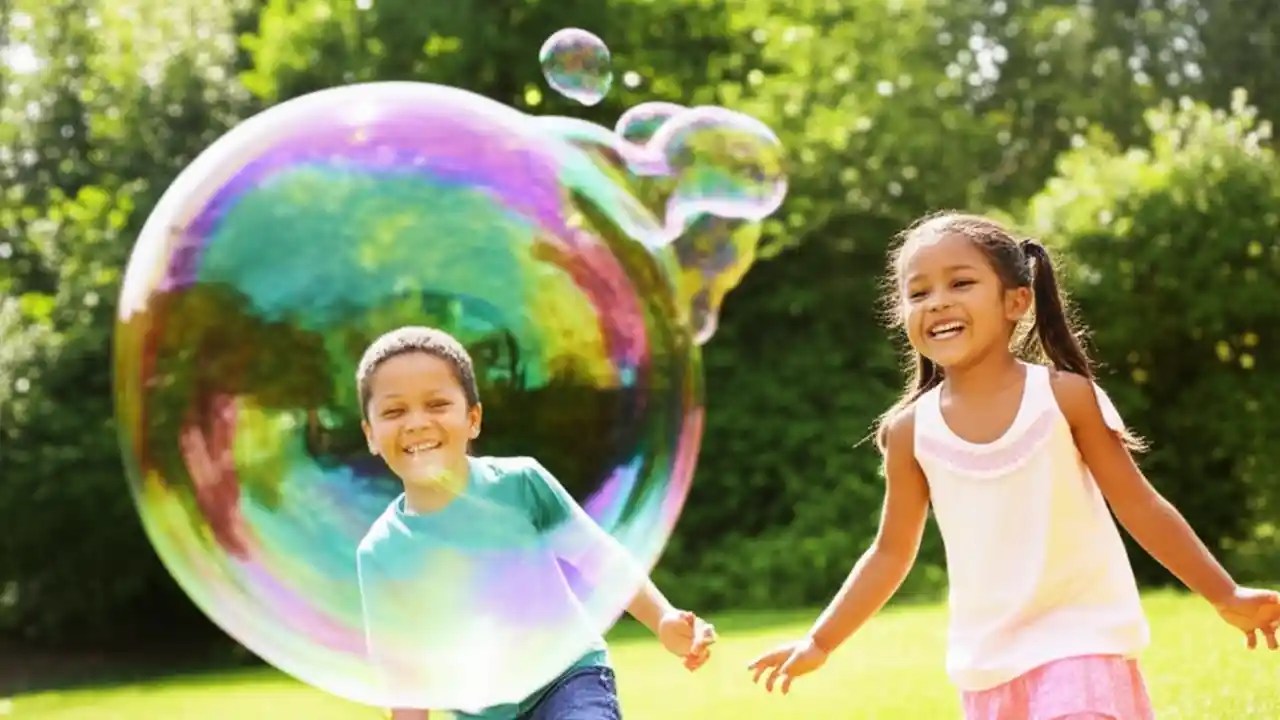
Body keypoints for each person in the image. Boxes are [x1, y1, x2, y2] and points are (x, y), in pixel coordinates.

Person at [746, 212, 1280, 719]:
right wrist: (821, 640)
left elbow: (1139, 504)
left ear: (1017, 301)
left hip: (1083, 640)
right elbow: (889, 552)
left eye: (960, 283)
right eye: (918, 292)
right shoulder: (910, 432)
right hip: (990, 666)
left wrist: (1225, 593)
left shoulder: (1066, 398)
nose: (937, 302)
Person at [355, 326, 716, 720]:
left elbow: (599, 558)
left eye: (437, 404)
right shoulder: (380, 552)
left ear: (473, 419)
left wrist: (662, 617)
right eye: (394, 411)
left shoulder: (520, 484)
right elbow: (403, 670)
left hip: (568, 678)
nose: (416, 423)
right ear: (371, 435)